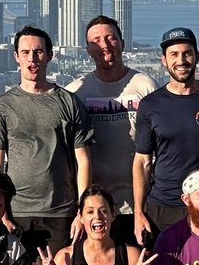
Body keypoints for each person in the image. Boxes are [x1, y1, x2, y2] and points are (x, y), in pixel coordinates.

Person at [0, 25, 93, 258]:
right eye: (25, 52)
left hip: (61, 211)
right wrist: (0, 211)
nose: (32, 59)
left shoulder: (69, 102)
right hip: (16, 210)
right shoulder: (2, 106)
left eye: (38, 52)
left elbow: (83, 160)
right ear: (16, 57)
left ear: (49, 55)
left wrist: (82, 211)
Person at [133, 27, 199, 243]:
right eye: (174, 54)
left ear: (197, 57)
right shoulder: (150, 105)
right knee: (164, 264)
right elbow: (142, 161)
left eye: (187, 54)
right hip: (163, 206)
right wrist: (138, 211)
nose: (181, 60)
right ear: (164, 60)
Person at [66, 15, 157, 247]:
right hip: (95, 208)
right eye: (96, 41)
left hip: (140, 203)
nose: (105, 45)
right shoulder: (76, 92)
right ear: (88, 50)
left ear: (122, 43)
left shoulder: (144, 85)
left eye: (111, 38)